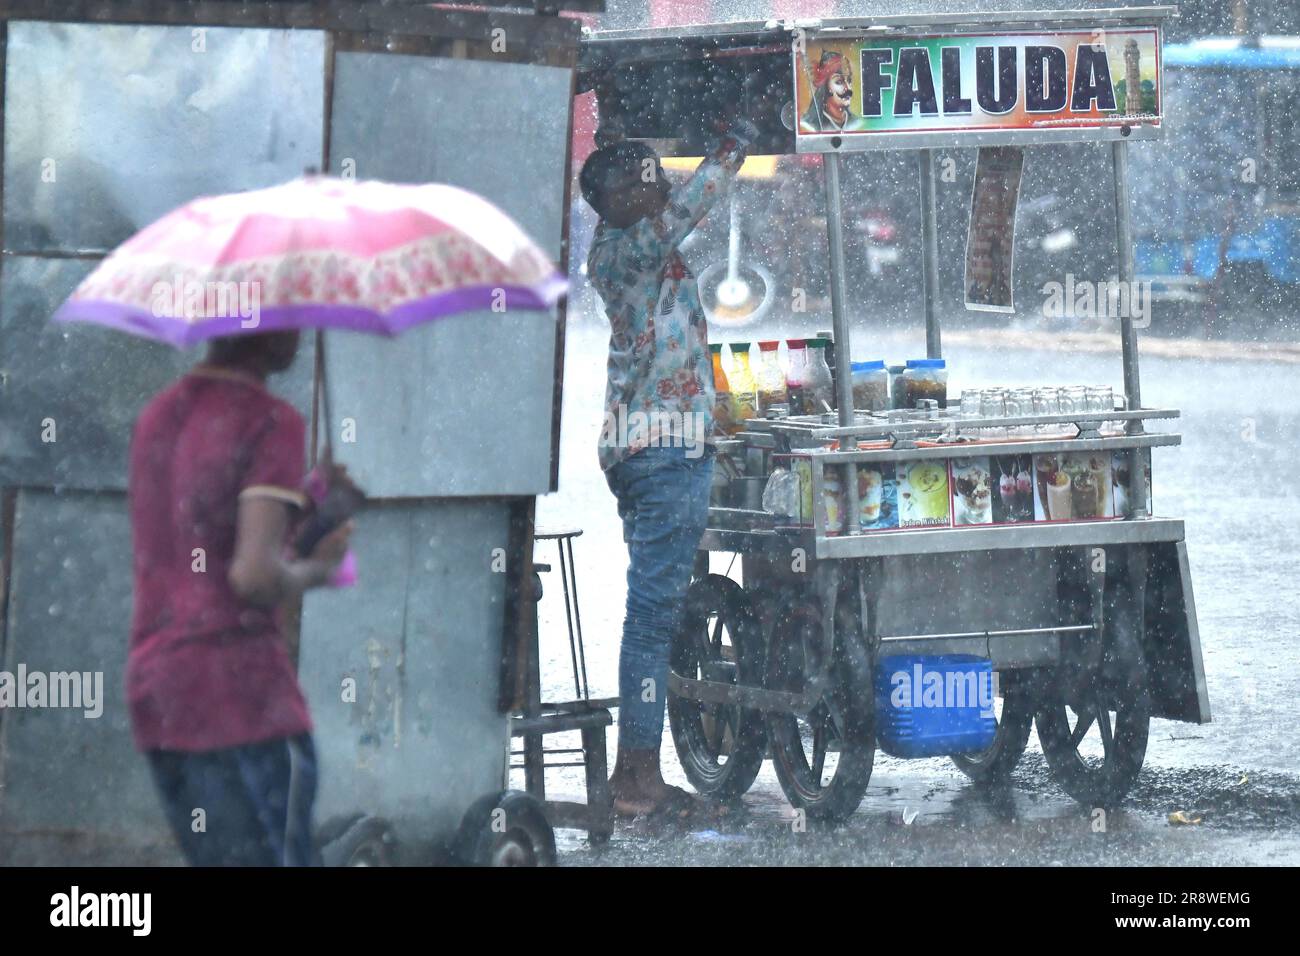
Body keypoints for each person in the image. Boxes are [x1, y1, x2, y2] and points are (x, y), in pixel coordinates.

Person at [581, 116, 756, 820]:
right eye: (644, 179)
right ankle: (635, 777)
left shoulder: (634, 243)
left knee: (655, 615)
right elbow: (692, 205)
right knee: (652, 619)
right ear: (616, 197)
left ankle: (639, 767)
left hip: (659, 445)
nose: (657, 188)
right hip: (661, 448)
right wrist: (732, 147)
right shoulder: (624, 250)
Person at [126, 330, 352, 866]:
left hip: (161, 697)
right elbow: (252, 577)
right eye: (287, 313)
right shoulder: (270, 420)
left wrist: (315, 506)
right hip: (242, 699)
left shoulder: (157, 416)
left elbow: (195, 538)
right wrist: (318, 572)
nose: (298, 329)